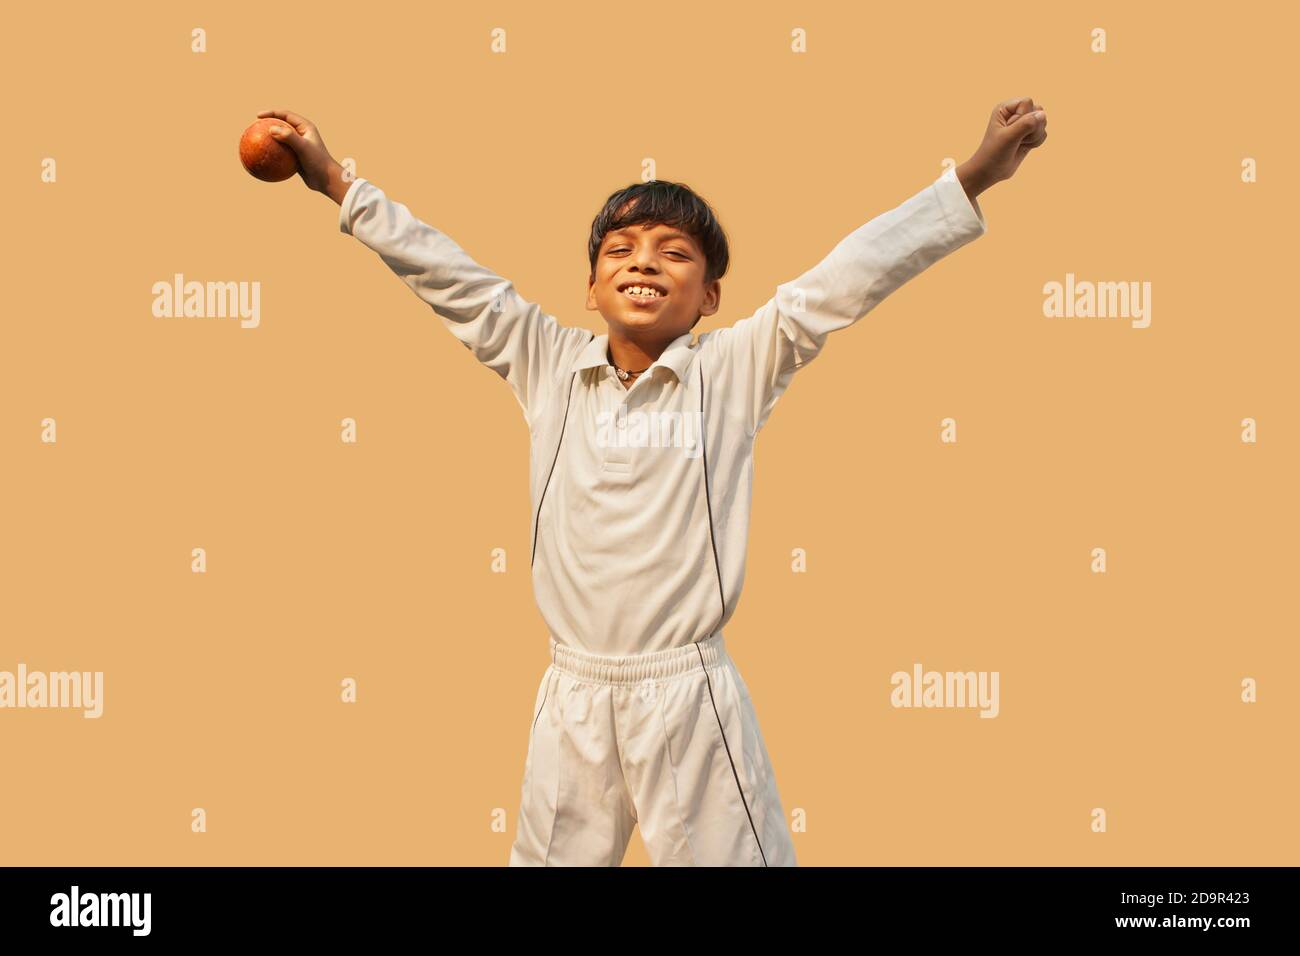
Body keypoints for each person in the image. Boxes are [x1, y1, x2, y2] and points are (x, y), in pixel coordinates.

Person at [258, 98, 1047, 866]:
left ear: (709, 297)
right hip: (571, 695)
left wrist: (971, 178)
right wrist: (335, 180)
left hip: (687, 696)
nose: (643, 261)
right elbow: (447, 274)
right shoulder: (545, 362)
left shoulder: (735, 369)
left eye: (674, 252)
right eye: (621, 249)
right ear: (592, 287)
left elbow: (846, 278)